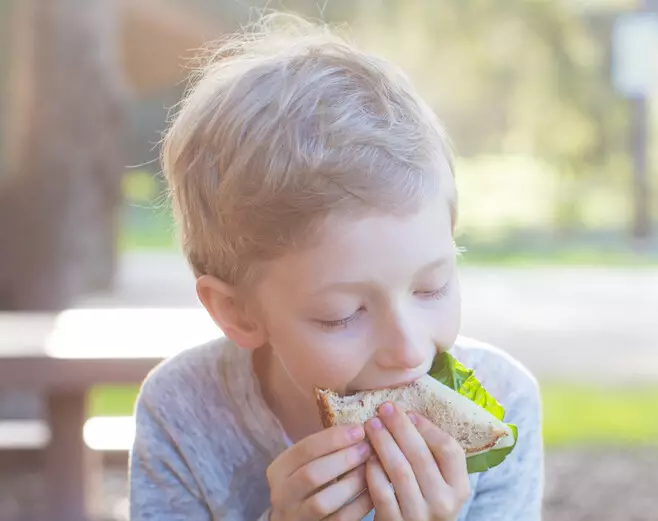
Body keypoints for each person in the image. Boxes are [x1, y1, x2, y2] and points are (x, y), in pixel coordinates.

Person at [127, 13, 543, 521]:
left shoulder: (505, 403)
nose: (409, 349)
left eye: (432, 287)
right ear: (237, 311)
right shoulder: (180, 413)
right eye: (342, 315)